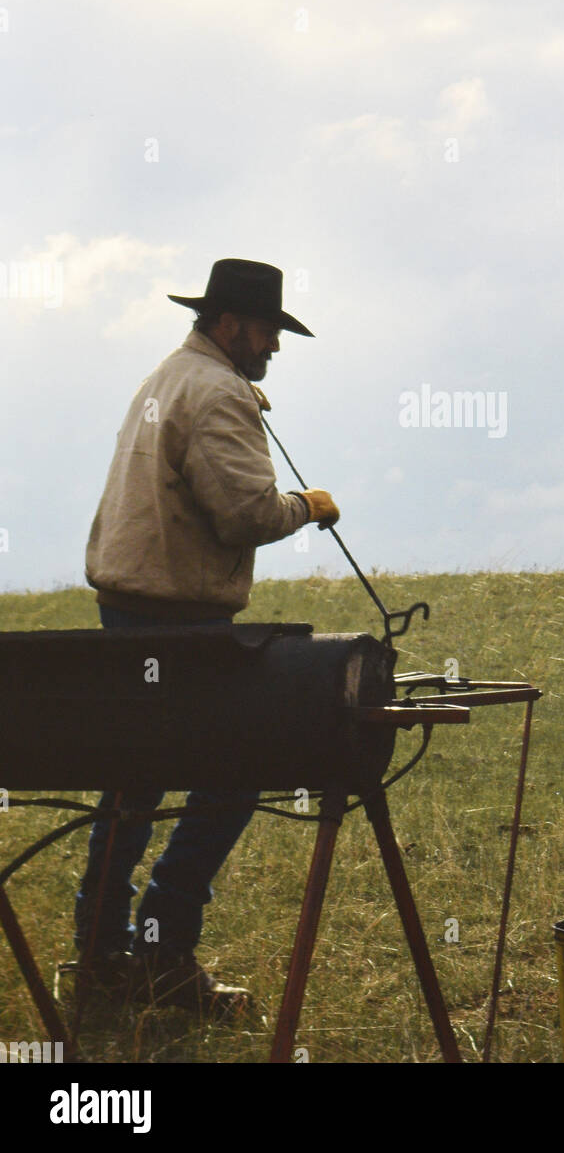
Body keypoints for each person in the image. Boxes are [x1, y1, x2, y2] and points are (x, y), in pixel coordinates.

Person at [73, 258, 340, 1015]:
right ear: (228, 325)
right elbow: (247, 517)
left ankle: (100, 957)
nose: (274, 346)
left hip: (128, 613)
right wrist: (309, 506)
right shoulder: (220, 392)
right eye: (265, 330)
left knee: (133, 783)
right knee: (235, 768)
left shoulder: (170, 377)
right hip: (180, 621)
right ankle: (163, 949)